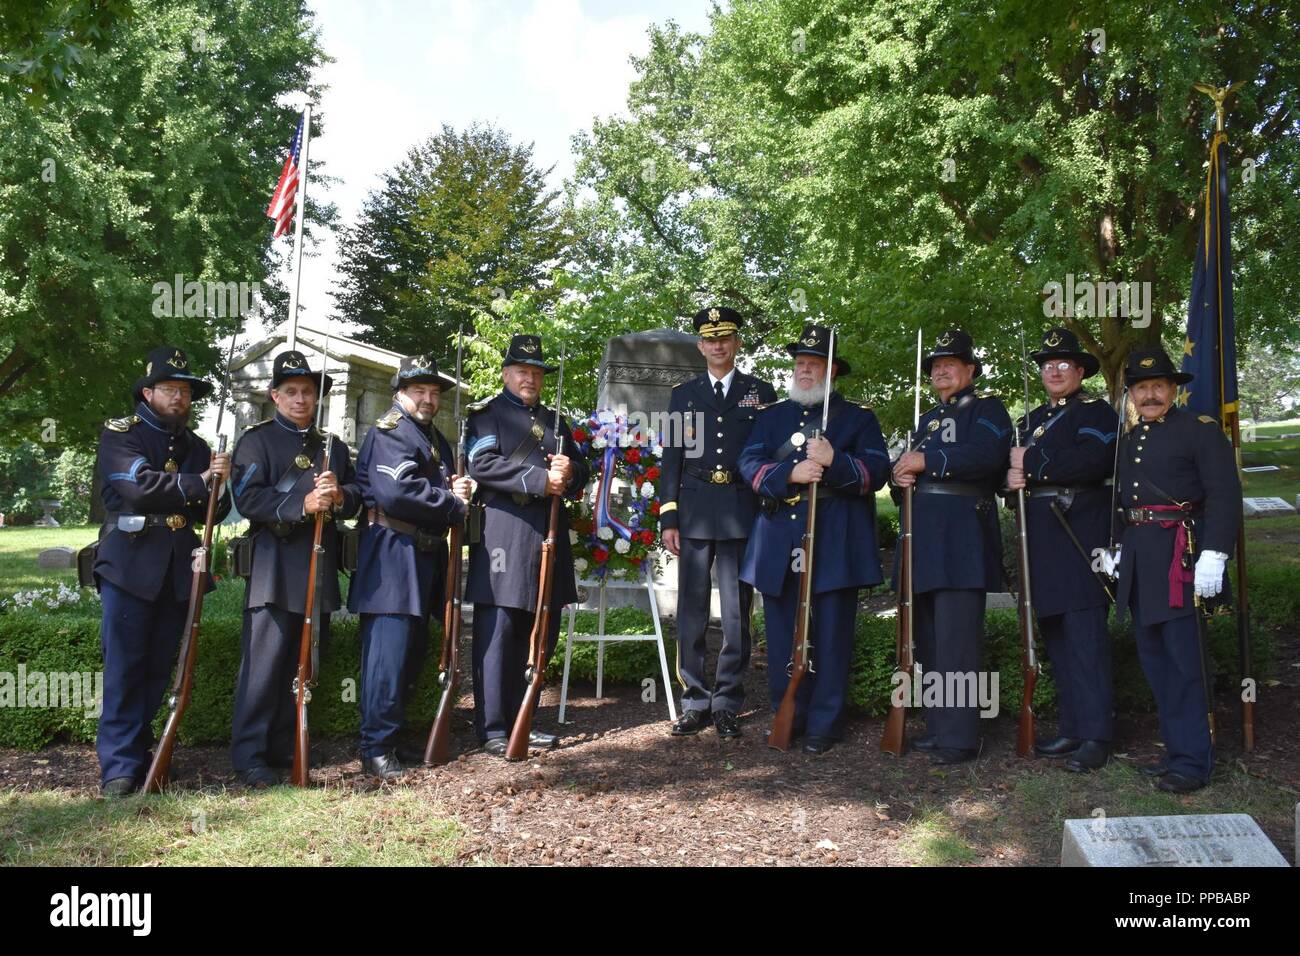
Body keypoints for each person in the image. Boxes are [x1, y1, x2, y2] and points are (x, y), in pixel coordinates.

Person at [737, 323, 890, 754]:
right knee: (784, 632)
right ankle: (788, 712)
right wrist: (791, 473)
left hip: (835, 542)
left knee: (832, 634)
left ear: (832, 370)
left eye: (815, 363)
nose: (805, 370)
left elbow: (876, 469)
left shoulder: (859, 418)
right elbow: (748, 462)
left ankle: (825, 723)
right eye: (800, 363)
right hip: (780, 541)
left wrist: (835, 461)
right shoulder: (772, 415)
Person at [93, 346, 231, 795]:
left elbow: (217, 510)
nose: (179, 398)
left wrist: (221, 482)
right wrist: (199, 483)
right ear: (148, 391)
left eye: (186, 391)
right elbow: (137, 487)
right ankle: (117, 768)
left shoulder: (197, 447)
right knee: (124, 668)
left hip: (176, 569)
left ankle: (144, 755)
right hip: (130, 565)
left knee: (157, 669)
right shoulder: (121, 435)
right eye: (171, 389)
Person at [228, 350, 362, 787]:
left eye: (308, 392)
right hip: (273, 567)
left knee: (303, 665)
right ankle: (250, 754)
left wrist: (340, 495)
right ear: (276, 396)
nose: (301, 399)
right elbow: (248, 500)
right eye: (291, 392)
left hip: (318, 566)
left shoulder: (333, 447)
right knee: (265, 665)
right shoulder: (256, 442)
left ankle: (287, 745)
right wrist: (301, 504)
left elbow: (362, 494)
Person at [1110, 347, 1241, 793]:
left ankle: (1192, 760)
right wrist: (1113, 548)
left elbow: (1224, 494)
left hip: (1180, 558)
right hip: (1140, 558)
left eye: (1158, 386)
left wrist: (1216, 552)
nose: (1149, 395)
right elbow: (1123, 500)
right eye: (1141, 388)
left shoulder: (1200, 431)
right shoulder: (1129, 438)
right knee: (1155, 659)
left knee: (1185, 660)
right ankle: (1177, 750)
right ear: (1131, 394)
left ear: (1172, 390)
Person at [463, 335, 590, 757]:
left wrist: (570, 472)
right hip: (503, 533)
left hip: (548, 537)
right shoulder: (486, 416)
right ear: (506, 374)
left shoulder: (556, 422)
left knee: (542, 632)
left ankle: (524, 717)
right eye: (523, 371)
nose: (530, 379)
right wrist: (540, 480)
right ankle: (494, 728)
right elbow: (481, 465)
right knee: (499, 632)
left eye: (536, 372)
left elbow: (578, 473)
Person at [348, 354, 472, 779]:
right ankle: (376, 746)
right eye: (419, 391)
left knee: (411, 654)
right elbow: (397, 493)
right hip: (391, 556)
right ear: (400, 393)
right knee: (388, 656)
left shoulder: (431, 436)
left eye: (434, 393)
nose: (428, 399)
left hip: (421, 557)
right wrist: (453, 502)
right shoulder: (392, 431)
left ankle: (393, 737)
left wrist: (457, 488)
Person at [891, 329, 1011, 765]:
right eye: (936, 366)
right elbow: (908, 466)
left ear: (970, 370)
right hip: (922, 543)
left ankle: (960, 737)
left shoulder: (988, 409)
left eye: (950, 364)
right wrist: (898, 475)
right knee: (930, 642)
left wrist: (928, 462)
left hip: (961, 541)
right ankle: (940, 725)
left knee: (958, 642)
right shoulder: (926, 420)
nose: (941, 370)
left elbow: (988, 457)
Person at [660, 306, 777, 738]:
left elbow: (767, 453)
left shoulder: (759, 391)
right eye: (710, 339)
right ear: (700, 345)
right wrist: (668, 513)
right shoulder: (682, 395)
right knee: (690, 610)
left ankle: (727, 699)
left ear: (737, 343)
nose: (717, 345)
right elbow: (670, 457)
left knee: (735, 613)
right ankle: (694, 700)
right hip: (692, 510)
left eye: (725, 338)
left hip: (739, 511)